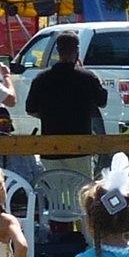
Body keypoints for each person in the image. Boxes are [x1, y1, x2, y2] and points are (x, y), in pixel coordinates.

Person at [25, 31, 106, 177]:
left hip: (51, 148)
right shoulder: (87, 78)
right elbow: (102, 102)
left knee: (55, 193)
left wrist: (48, 116)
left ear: (57, 50)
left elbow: (30, 109)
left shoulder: (41, 78)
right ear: (77, 50)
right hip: (80, 148)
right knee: (81, 193)